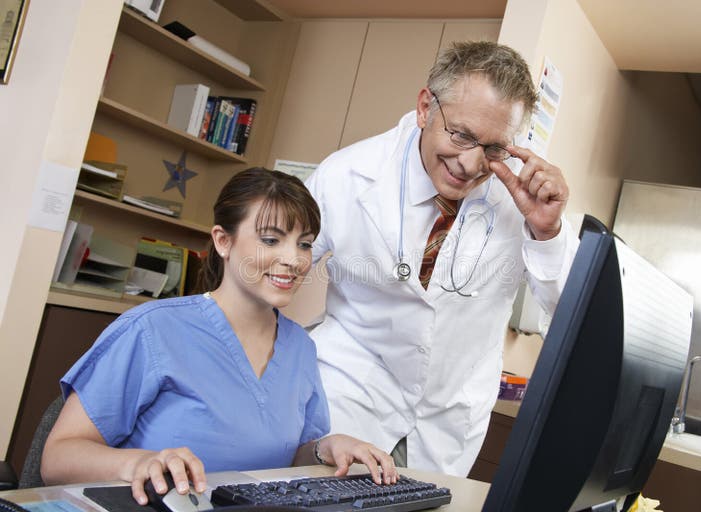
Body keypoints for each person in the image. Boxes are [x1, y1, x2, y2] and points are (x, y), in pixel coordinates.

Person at [304, 41, 579, 476]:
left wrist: (548, 234)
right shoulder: (348, 174)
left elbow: (571, 317)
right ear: (424, 107)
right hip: (350, 402)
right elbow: (265, 274)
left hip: (446, 426)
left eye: (493, 148)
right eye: (462, 135)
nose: (470, 164)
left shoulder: (523, 197)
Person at [40, 168, 397, 504]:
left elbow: (287, 456)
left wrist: (327, 447)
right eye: (271, 239)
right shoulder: (152, 330)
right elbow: (57, 457)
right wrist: (137, 463)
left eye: (304, 244)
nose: (293, 259)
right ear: (223, 241)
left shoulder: (300, 349)